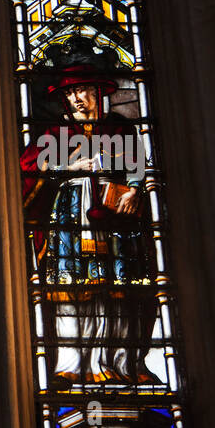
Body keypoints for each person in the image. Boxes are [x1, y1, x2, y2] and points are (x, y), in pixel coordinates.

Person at [21, 63, 157, 386]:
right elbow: (28, 168)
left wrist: (135, 190)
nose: (76, 99)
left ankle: (121, 361)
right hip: (71, 214)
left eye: (81, 90)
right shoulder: (55, 134)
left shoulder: (120, 129)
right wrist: (66, 167)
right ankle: (73, 361)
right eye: (70, 93)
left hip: (115, 217)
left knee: (119, 286)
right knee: (71, 286)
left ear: (98, 92)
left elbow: (139, 166)